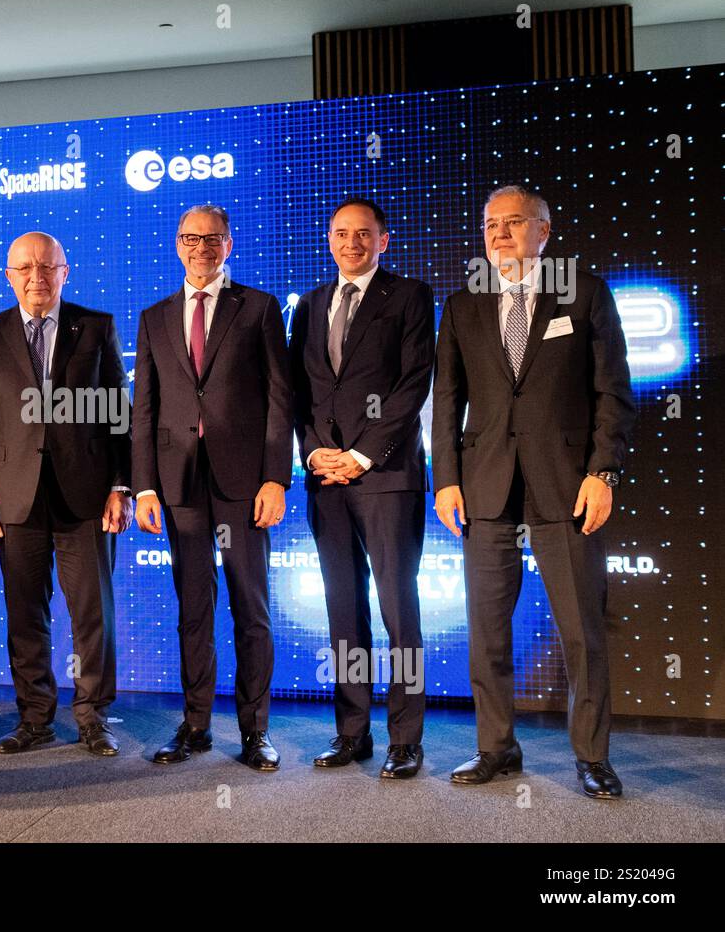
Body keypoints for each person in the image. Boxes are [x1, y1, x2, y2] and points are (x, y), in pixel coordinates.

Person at [431, 185, 635, 799]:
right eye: (490, 225)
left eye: (513, 223)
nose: (499, 234)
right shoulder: (463, 305)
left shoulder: (586, 292)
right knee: (487, 632)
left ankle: (592, 757)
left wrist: (604, 473)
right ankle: (496, 748)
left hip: (567, 487)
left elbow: (614, 394)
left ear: (544, 230)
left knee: (581, 632)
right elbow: (447, 402)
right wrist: (445, 480)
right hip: (485, 487)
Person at [0, 231, 132, 757]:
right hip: (14, 499)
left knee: (90, 611)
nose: (37, 276)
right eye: (25, 267)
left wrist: (120, 486)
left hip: (85, 498)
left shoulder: (96, 326)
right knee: (25, 613)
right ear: (8, 276)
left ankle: (93, 717)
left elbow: (117, 415)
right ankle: (34, 718)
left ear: (65, 271)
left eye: (47, 266)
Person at [132, 203, 292, 772]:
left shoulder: (260, 308)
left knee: (252, 609)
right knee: (193, 609)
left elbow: (280, 401)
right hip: (179, 486)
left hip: (244, 485)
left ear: (231, 245)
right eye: (191, 237)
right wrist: (143, 488)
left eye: (213, 238)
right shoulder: (154, 317)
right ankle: (195, 725)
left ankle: (255, 731)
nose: (201, 247)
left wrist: (275, 477)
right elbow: (144, 410)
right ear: (177, 244)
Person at [289, 197, 434, 778]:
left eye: (364, 234)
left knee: (400, 611)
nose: (352, 243)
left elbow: (412, 384)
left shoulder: (410, 297)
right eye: (342, 233)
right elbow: (296, 389)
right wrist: (312, 451)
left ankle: (407, 739)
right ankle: (353, 733)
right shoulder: (311, 304)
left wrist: (362, 454)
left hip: (387, 478)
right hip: (324, 481)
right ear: (329, 240)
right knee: (343, 614)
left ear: (384, 240)